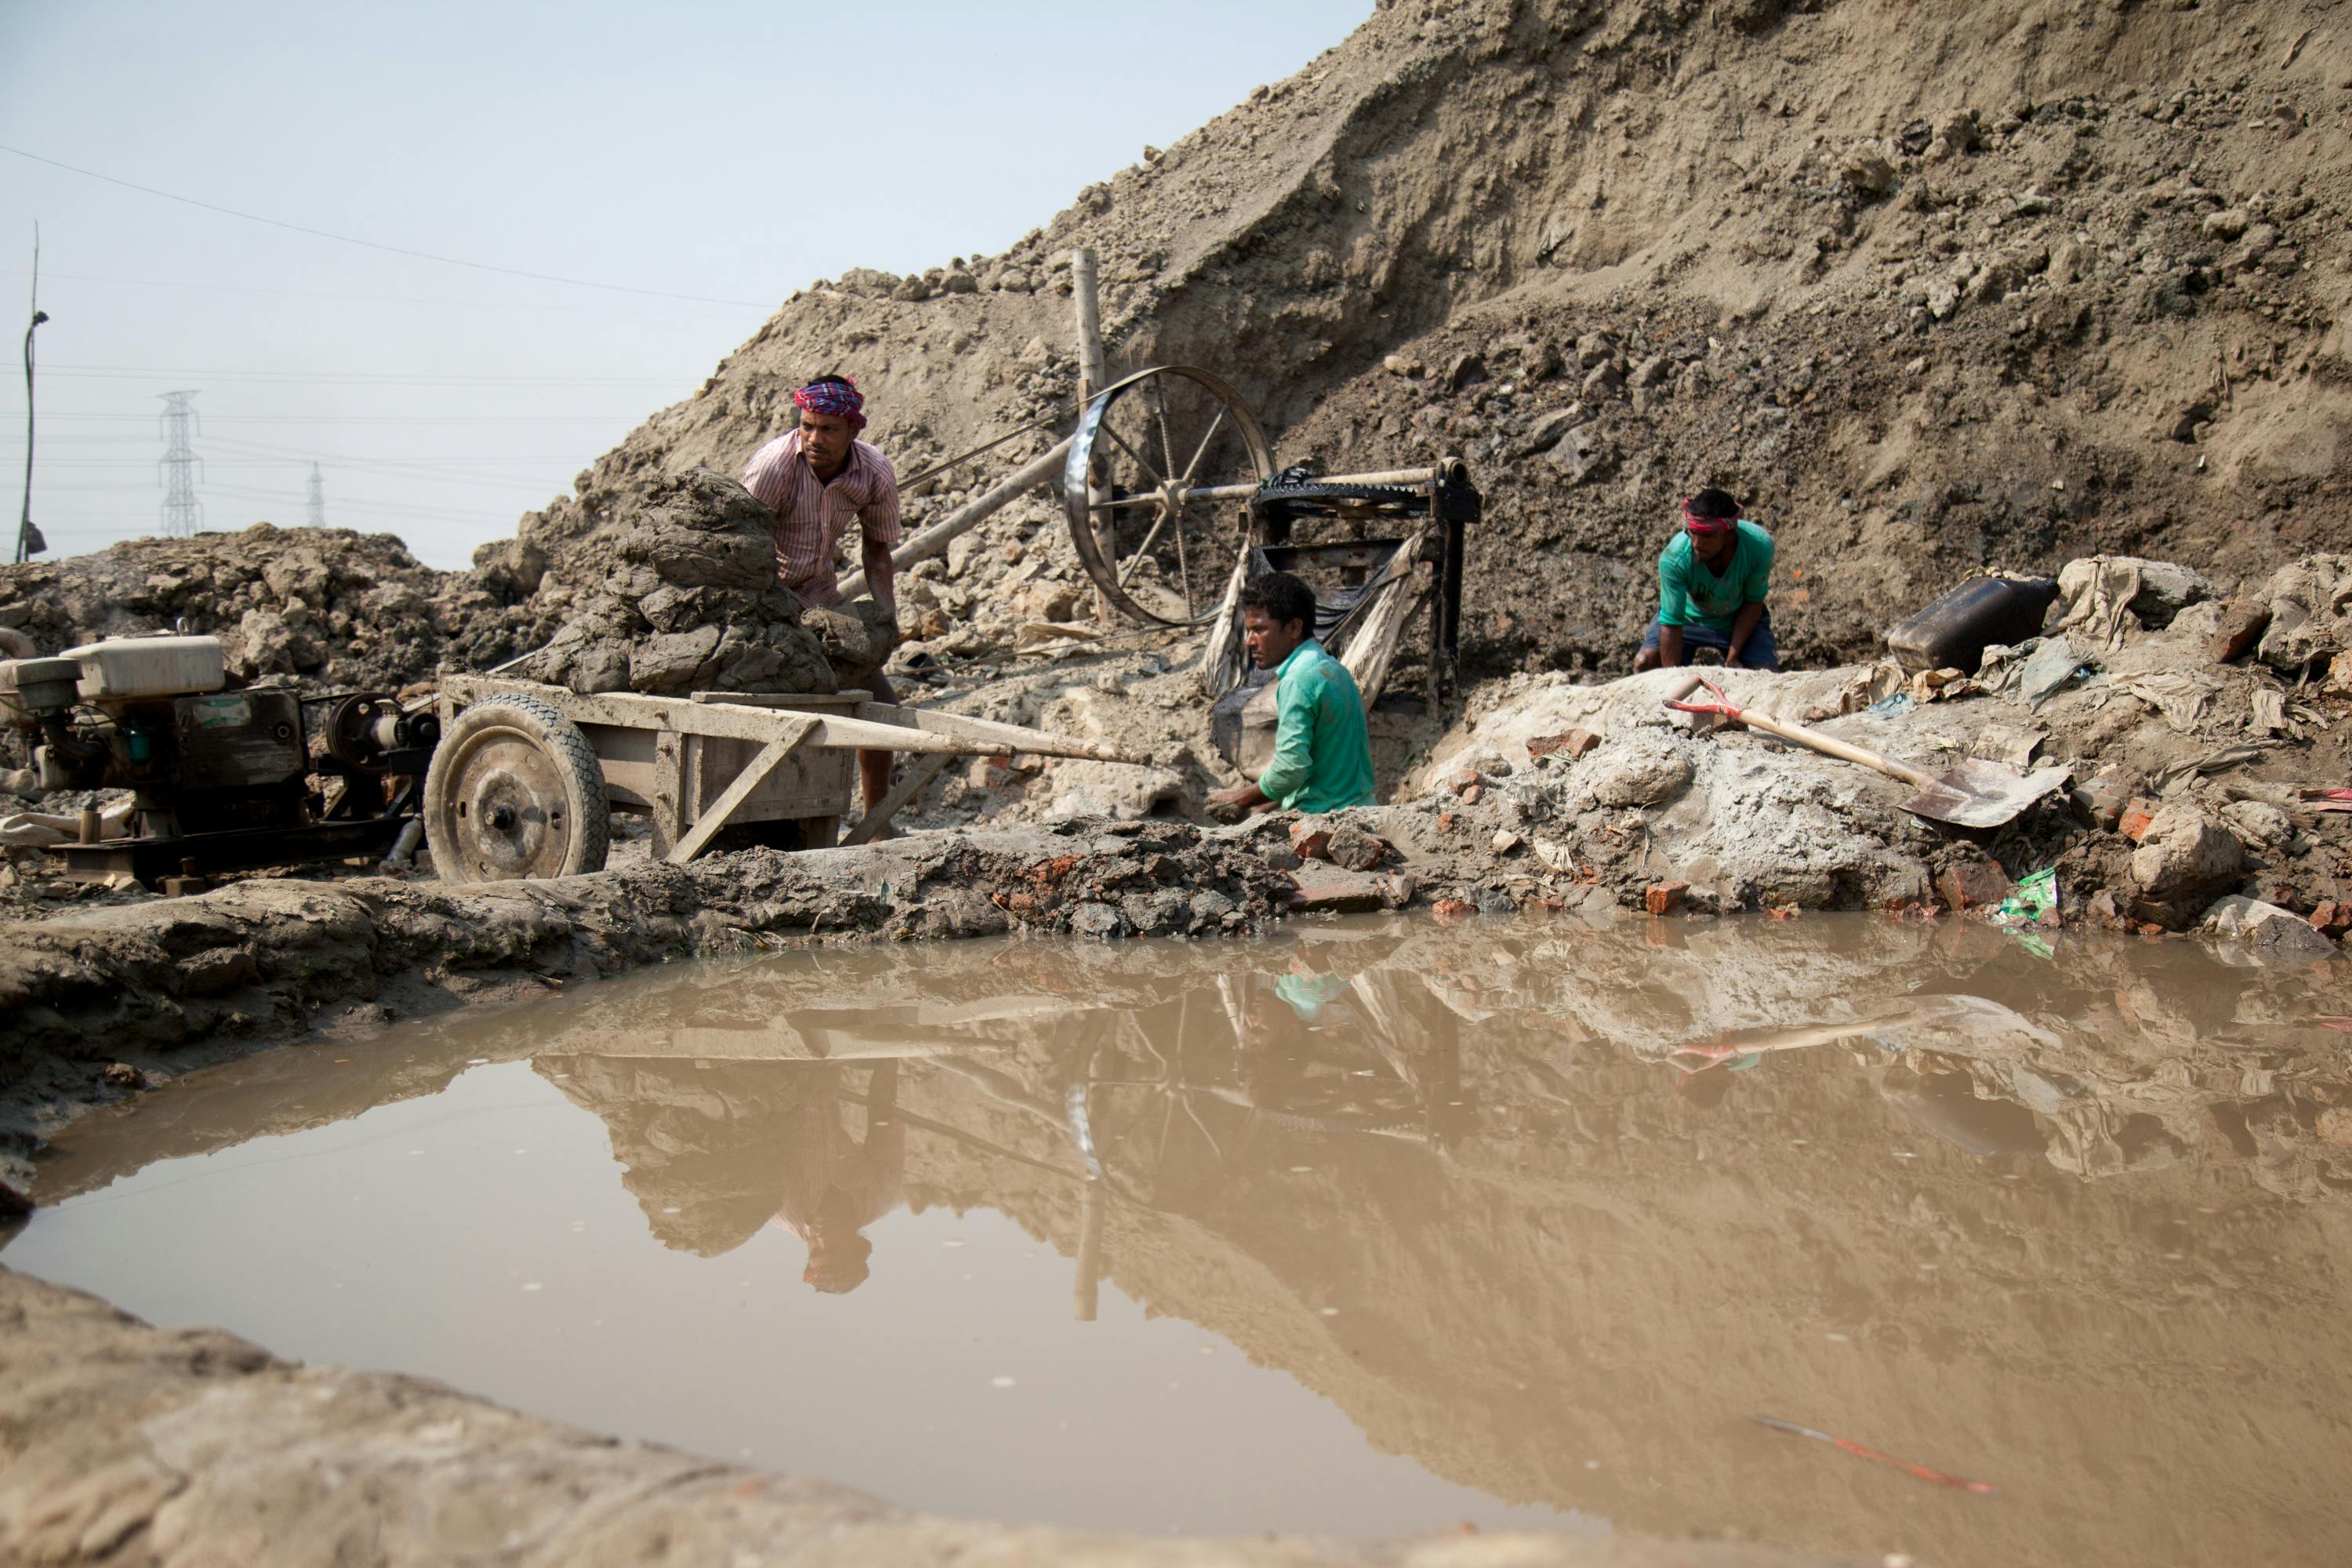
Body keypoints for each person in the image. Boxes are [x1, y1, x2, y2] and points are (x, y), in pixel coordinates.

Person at [741, 375, 903, 817]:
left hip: (819, 601)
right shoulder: (774, 466)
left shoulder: (872, 471)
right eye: (808, 425)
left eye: (828, 429)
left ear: (854, 429)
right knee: (768, 708)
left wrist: (886, 613)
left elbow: (877, 547)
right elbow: (740, 542)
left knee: (882, 707)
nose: (814, 438)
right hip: (762, 601)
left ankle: (876, 822)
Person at [1207, 572, 1377, 818]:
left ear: (1294, 627)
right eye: (1248, 631)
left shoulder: (1298, 681)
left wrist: (1239, 798)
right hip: (1364, 811)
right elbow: (1324, 765)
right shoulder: (1333, 669)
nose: (1249, 642)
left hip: (1326, 822)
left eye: (1259, 630)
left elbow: (1290, 770)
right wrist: (1265, 803)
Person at [1632, 488, 1780, 673]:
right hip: (1687, 618)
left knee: (1763, 674)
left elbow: (1753, 601)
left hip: (1737, 616)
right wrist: (1672, 679)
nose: (1697, 544)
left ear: (1730, 532)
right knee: (1645, 663)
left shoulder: (1758, 547)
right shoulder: (1674, 557)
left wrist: (1733, 658)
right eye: (1693, 532)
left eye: (1708, 535)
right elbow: (1672, 622)